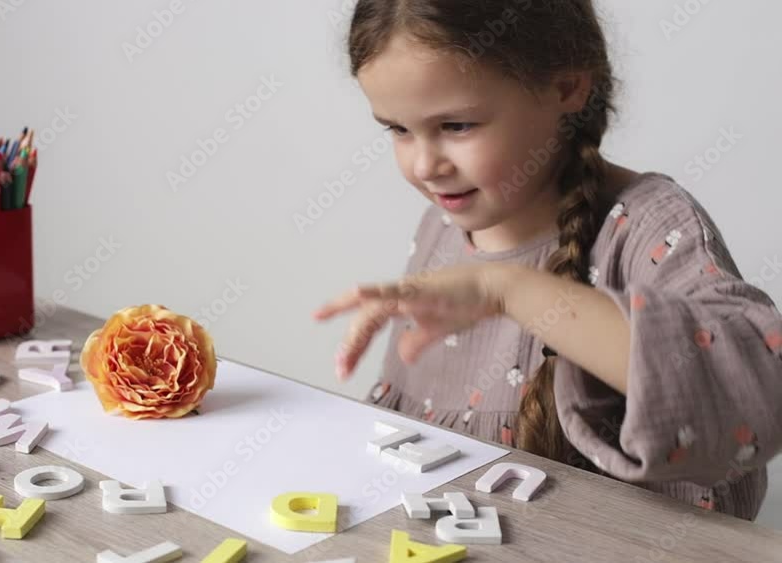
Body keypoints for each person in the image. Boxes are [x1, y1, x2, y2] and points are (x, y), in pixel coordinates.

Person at [313, 0, 782, 520]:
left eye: (458, 125)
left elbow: (757, 397)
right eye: (397, 130)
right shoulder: (442, 225)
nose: (424, 165)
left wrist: (509, 290)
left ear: (566, 88)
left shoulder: (648, 228)